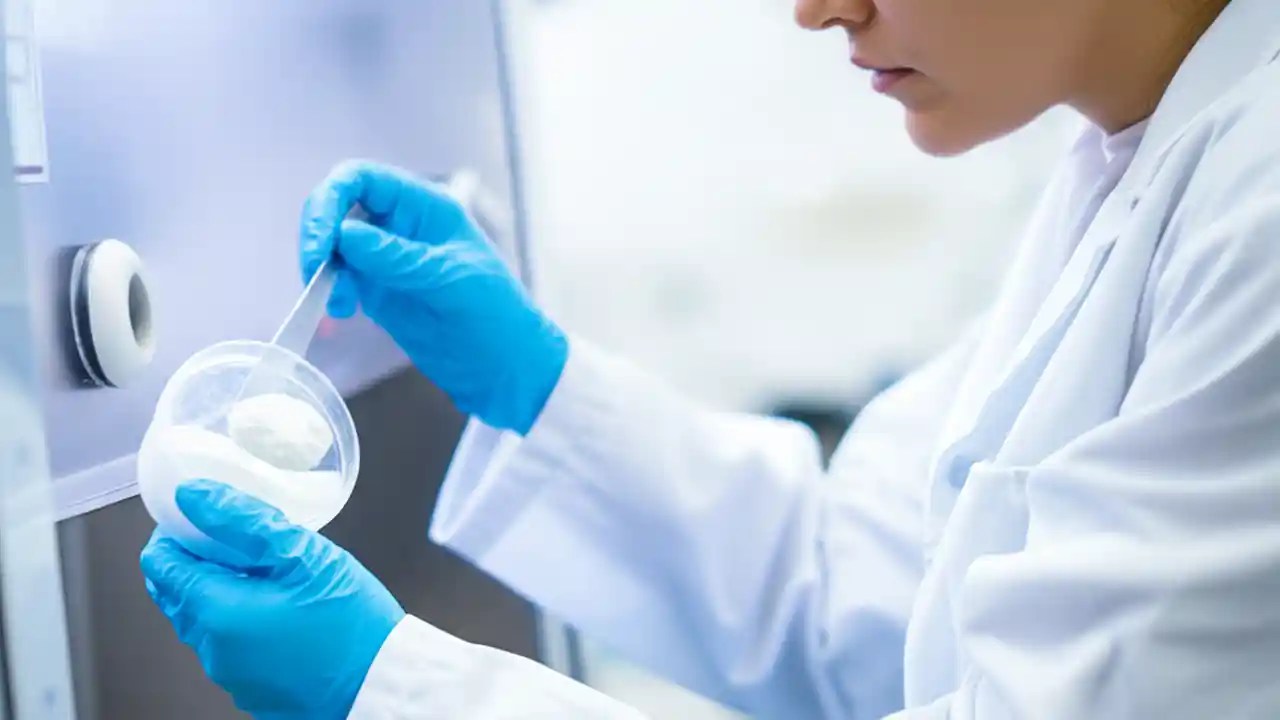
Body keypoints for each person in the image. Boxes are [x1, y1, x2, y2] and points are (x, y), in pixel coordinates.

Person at [139, 0, 1280, 716]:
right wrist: (539, 390)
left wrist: (394, 690)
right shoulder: (1137, 154)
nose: (816, 10)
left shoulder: (1260, 203)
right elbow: (870, 609)